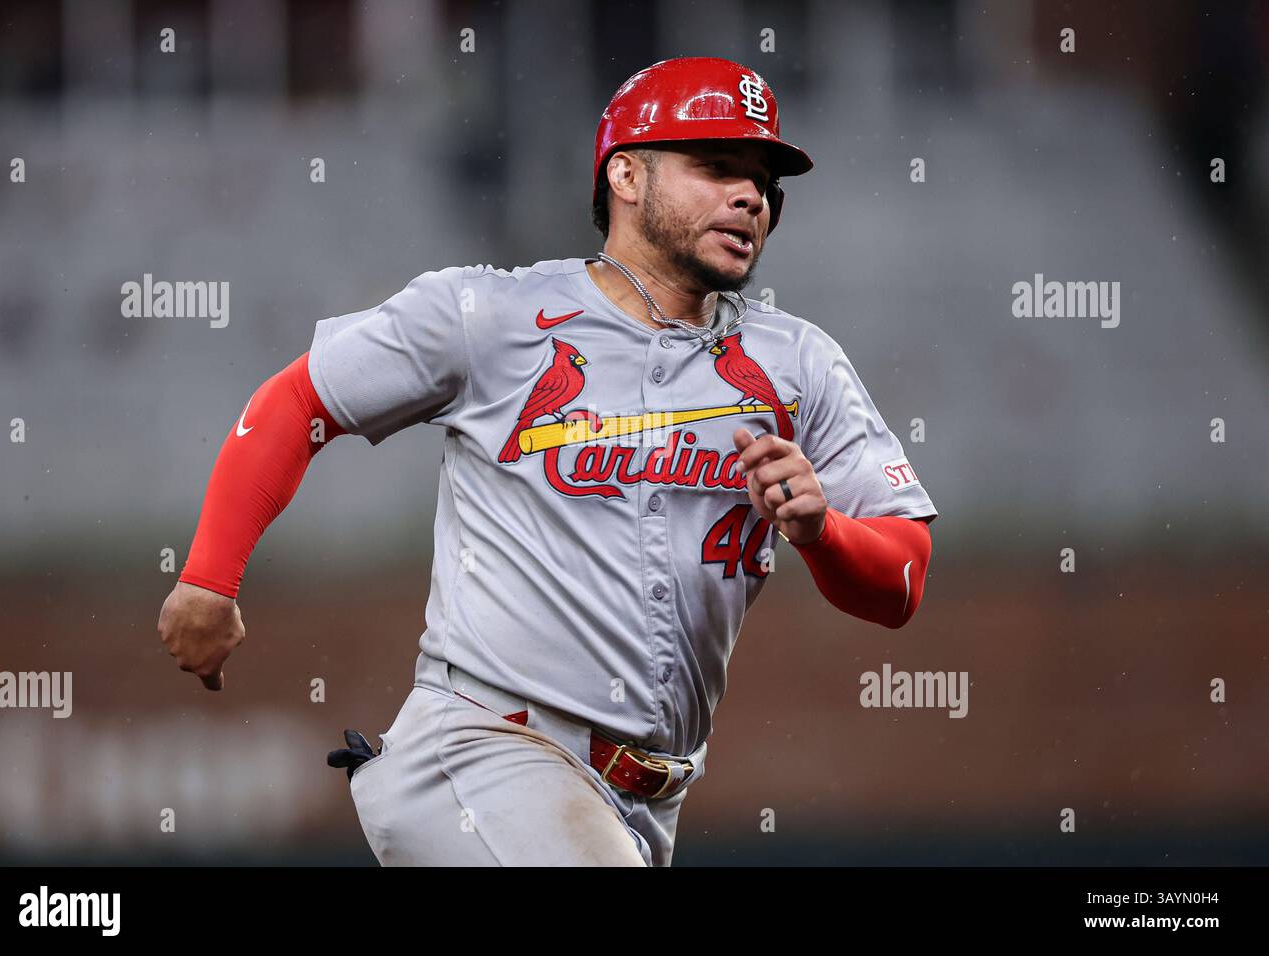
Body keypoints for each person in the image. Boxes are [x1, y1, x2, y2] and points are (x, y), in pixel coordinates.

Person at [157, 56, 938, 867]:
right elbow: (297, 403)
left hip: (643, 802)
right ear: (627, 175)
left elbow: (902, 584)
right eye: (716, 167)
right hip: (483, 751)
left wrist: (822, 533)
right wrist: (210, 577)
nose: (751, 197)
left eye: (765, 182)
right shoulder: (490, 316)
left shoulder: (798, 362)